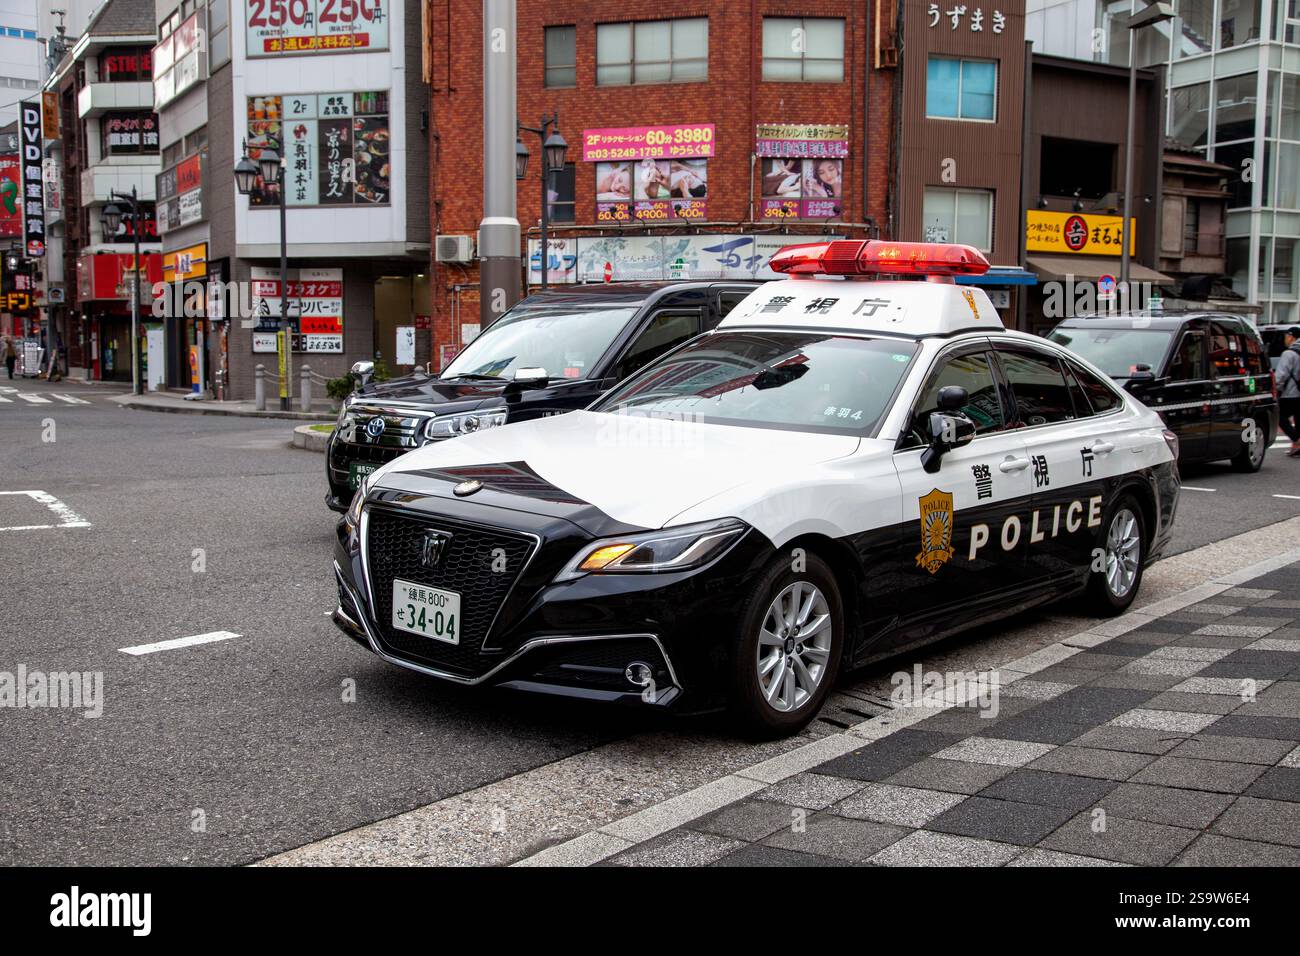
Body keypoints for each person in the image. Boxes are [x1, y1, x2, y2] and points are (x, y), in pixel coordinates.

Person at [1277, 326, 1300, 457]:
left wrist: (1277, 389)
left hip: (1291, 393)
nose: (1285, 339)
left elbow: (1281, 376)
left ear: (1291, 336)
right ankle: (1296, 446)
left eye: (1286, 336)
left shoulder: (1288, 353)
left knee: (1279, 416)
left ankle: (1297, 440)